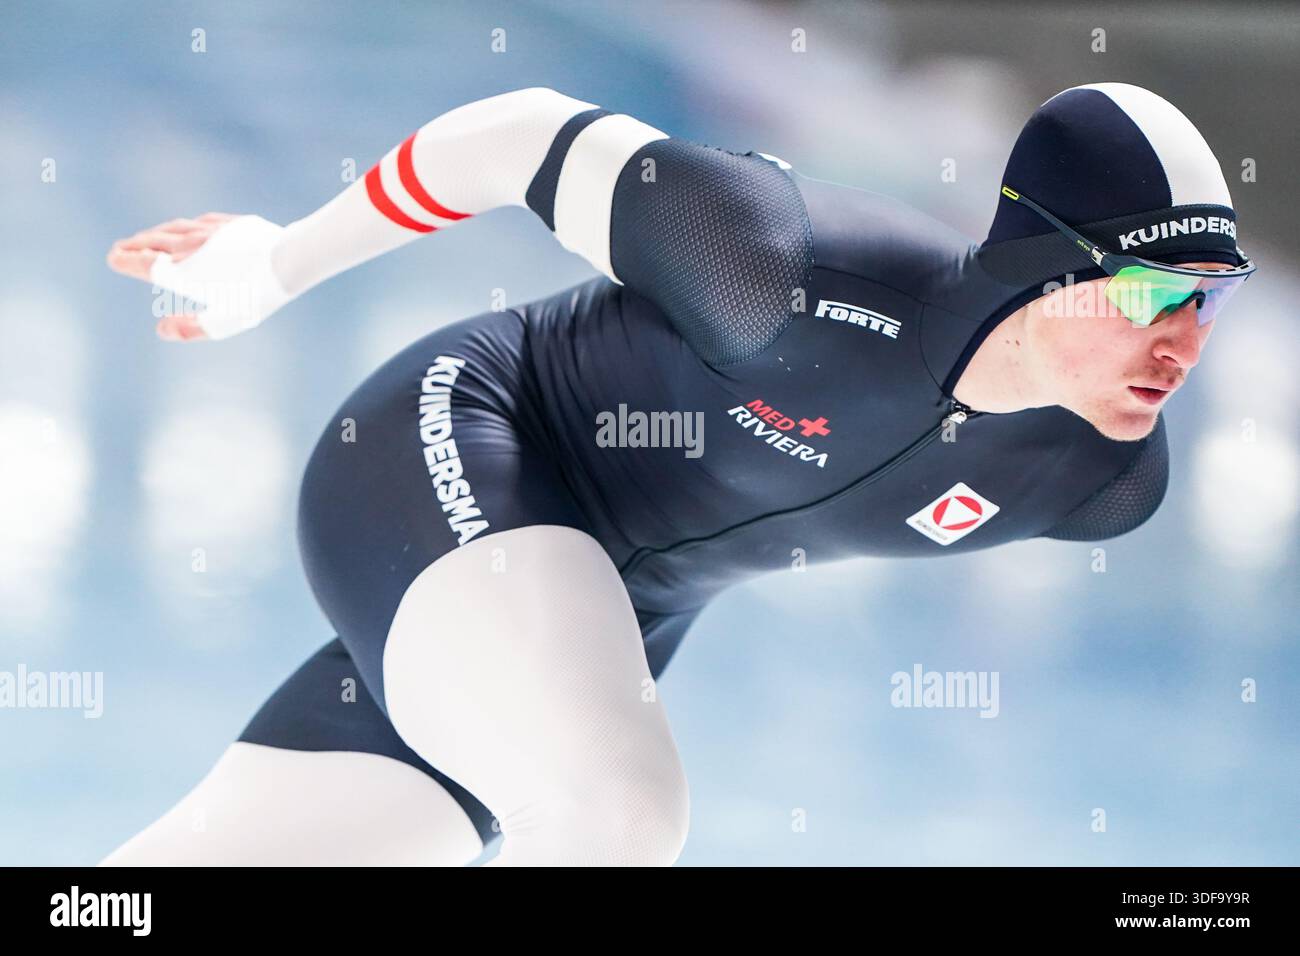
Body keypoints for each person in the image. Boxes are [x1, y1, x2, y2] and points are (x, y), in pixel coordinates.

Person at [100, 82, 1255, 866]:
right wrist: (275, 260)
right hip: (463, 440)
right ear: (1046, 268)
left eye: (1209, 298)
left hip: (609, 610)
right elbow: (519, 135)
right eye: (1154, 291)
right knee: (614, 811)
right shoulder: (773, 263)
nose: (1184, 341)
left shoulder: (1097, 479)